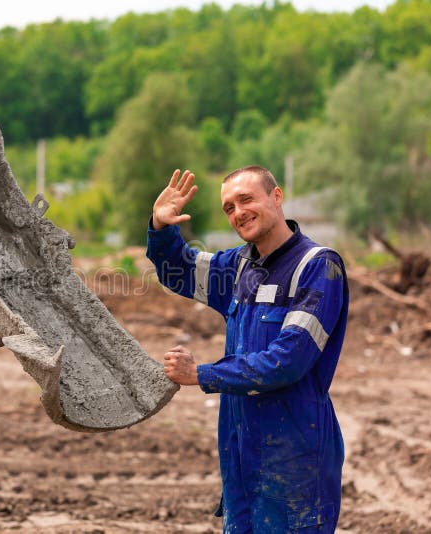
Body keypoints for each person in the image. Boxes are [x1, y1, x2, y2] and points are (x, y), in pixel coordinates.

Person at [146, 166, 348, 533]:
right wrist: (161, 228)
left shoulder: (317, 267)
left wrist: (201, 374)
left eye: (246, 199)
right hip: (241, 456)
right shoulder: (239, 267)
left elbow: (288, 361)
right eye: (228, 208)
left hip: (295, 460)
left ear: (277, 197)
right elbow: (179, 270)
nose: (238, 212)